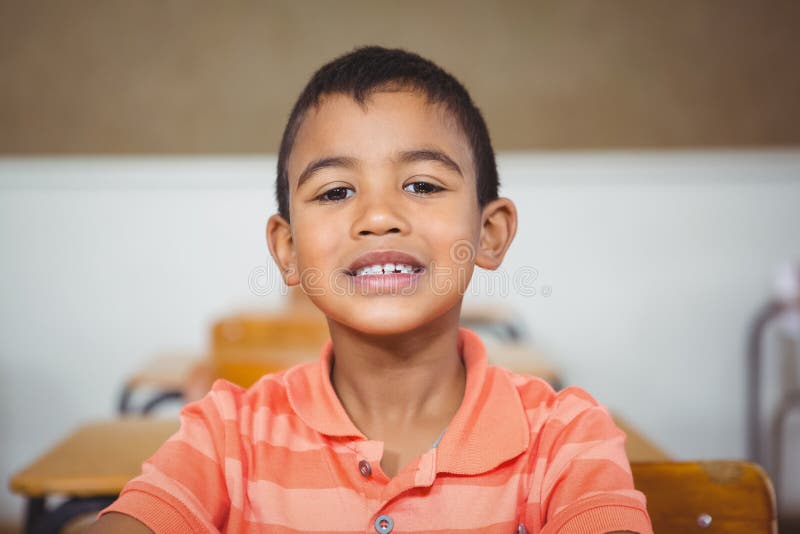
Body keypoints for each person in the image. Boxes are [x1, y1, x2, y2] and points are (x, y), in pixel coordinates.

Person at [91, 46, 653, 533]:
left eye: (422, 184)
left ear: (489, 233)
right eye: (335, 192)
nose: (379, 216)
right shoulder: (225, 437)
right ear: (288, 250)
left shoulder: (564, 439)